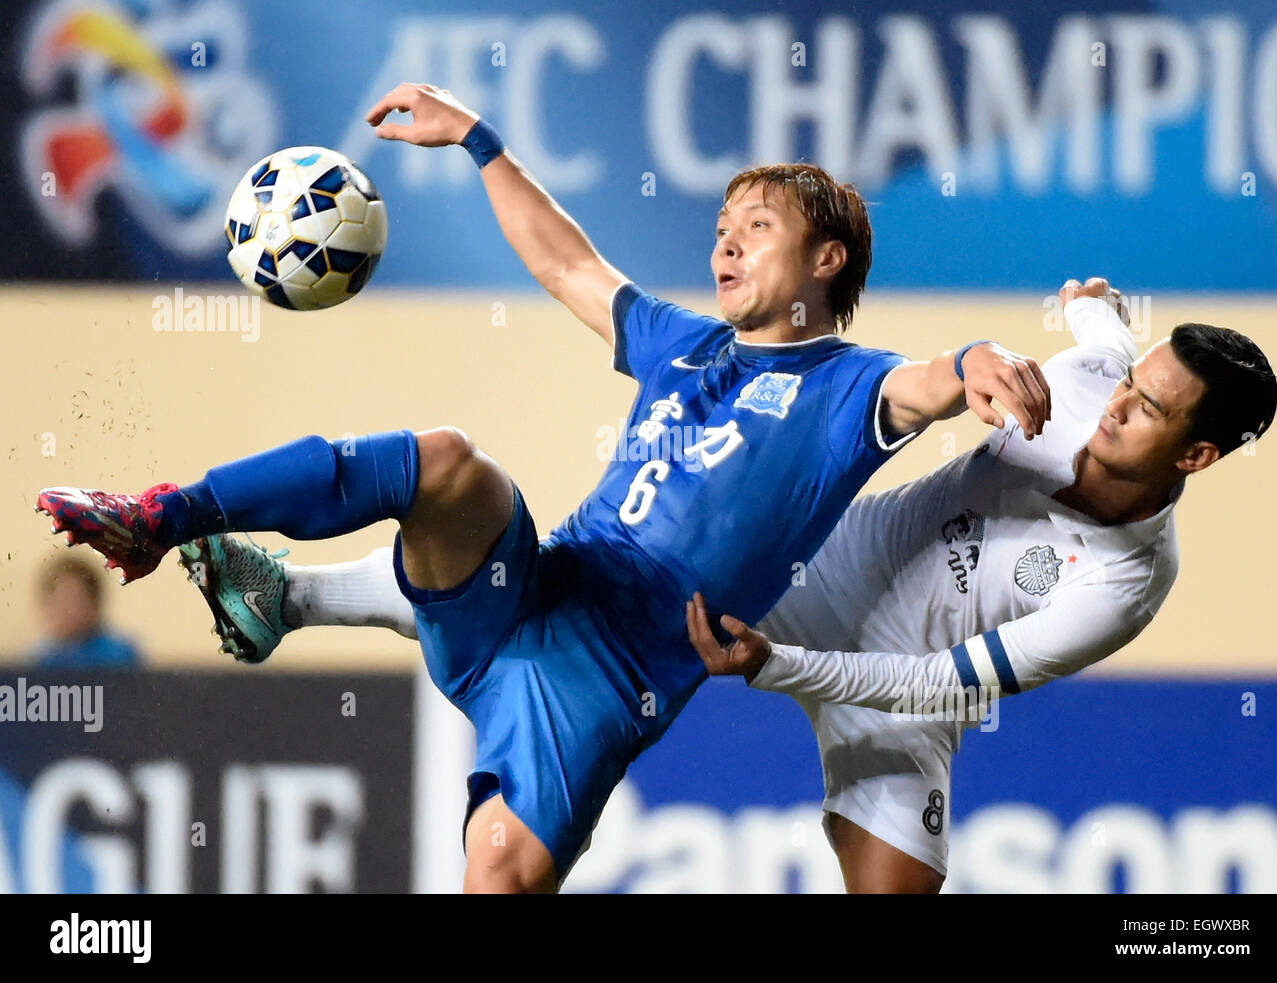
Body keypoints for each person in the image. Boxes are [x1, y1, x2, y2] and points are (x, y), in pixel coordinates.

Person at [34, 82, 1050, 892]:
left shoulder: (848, 387)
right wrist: (479, 139)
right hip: (526, 588)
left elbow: (936, 381)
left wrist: (983, 360)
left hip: (602, 682)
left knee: (501, 873)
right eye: (721, 225)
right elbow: (566, 264)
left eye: (758, 224)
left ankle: (288, 593)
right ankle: (162, 514)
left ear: (827, 258)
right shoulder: (683, 344)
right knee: (448, 460)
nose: (726, 242)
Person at [685, 277, 1277, 892]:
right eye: (1131, 382)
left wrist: (776, 664)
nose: (1116, 405)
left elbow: (934, 683)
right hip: (822, 569)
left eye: (1148, 409)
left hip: (913, 688)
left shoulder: (1125, 587)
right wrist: (1089, 307)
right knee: (640, 605)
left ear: (1197, 456)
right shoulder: (1084, 377)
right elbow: (1107, 344)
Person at [27, 554, 143, 670]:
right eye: (57, 600)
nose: (63, 609)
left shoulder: (120, 656)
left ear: (94, 604)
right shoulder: (39, 661)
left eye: (72, 600)